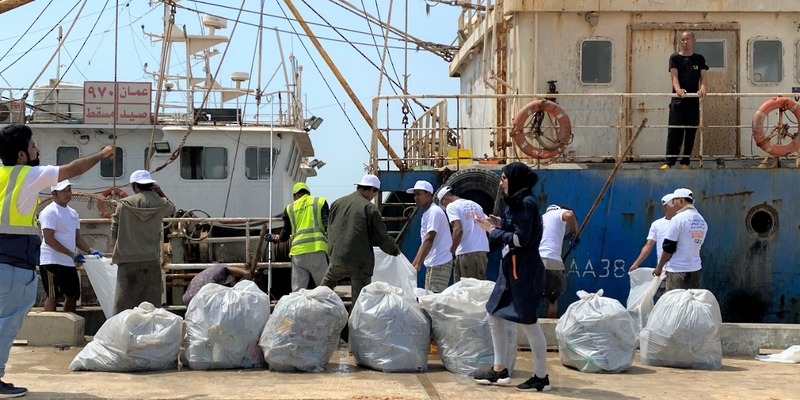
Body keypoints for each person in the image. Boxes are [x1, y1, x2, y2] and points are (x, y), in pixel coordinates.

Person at [0, 124, 114, 398]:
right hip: (13, 264)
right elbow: (71, 169)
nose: (36, 149)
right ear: (21, 155)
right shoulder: (26, 175)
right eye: (32, 145)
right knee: (6, 324)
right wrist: (101, 154)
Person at [474, 162, 551, 392]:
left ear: (514, 180)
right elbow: (513, 229)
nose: (501, 182)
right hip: (510, 270)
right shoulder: (515, 203)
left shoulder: (526, 204)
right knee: (493, 314)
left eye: (504, 178)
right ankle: (500, 370)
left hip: (523, 271)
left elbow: (521, 240)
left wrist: (492, 231)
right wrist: (498, 222)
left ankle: (540, 377)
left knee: (529, 323)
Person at [321, 174, 400, 307]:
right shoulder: (369, 208)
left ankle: (316, 312)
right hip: (359, 264)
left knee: (322, 293)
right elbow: (381, 238)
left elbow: (330, 228)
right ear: (371, 190)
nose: (374, 196)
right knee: (359, 303)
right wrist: (395, 250)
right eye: (375, 193)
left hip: (336, 260)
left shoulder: (336, 203)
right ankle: (354, 326)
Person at [110, 170, 175, 315]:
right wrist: (160, 192)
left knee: (124, 305)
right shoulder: (161, 204)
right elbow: (173, 209)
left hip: (127, 260)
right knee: (151, 306)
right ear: (151, 185)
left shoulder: (124, 204)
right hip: (150, 260)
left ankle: (123, 333)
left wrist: (116, 250)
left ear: (134, 186)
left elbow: (114, 228)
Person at [39, 180, 102, 312]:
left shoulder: (73, 213)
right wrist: (70, 253)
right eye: (64, 190)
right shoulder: (49, 211)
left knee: (72, 295)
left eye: (69, 190)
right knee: (52, 295)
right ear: (54, 193)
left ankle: (69, 327)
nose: (68, 193)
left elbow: (77, 238)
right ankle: (50, 327)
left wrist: (90, 250)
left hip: (68, 262)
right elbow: (49, 239)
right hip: (51, 261)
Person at [661, 31, 708, 170]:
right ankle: (669, 162)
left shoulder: (699, 59)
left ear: (694, 40)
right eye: (683, 39)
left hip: (693, 100)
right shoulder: (675, 58)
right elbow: (674, 77)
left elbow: (703, 77)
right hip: (678, 101)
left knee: (690, 131)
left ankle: (685, 162)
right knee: (675, 130)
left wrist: (703, 88)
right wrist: (678, 90)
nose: (685, 42)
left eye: (688, 39)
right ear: (680, 42)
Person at [270, 182, 329, 292]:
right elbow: (328, 226)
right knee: (324, 289)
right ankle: (328, 308)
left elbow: (285, 234)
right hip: (317, 251)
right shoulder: (320, 202)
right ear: (308, 193)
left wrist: (275, 238)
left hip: (298, 254)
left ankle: (297, 309)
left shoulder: (290, 208)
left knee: (297, 291)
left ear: (295, 195)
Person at [653, 188, 708, 291]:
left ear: (681, 200)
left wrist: (659, 267)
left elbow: (669, 247)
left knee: (674, 305)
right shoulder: (702, 221)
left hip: (677, 272)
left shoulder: (678, 219)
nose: (673, 204)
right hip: (696, 270)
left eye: (674, 201)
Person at [407, 180, 453, 293]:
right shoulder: (427, 213)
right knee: (430, 299)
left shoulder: (434, 212)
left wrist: (418, 263)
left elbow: (429, 239)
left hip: (439, 262)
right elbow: (424, 242)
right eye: (414, 195)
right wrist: (415, 262)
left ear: (428, 194)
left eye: (419, 194)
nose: (416, 197)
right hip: (434, 262)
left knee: (434, 301)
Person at [437, 186, 490, 282]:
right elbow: (487, 223)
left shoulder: (451, 206)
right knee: (480, 289)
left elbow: (458, 230)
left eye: (443, 205)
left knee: (464, 289)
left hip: (466, 252)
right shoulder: (475, 205)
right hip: (482, 251)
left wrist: (450, 252)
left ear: (445, 199)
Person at [539, 204, 579, 318]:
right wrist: (575, 233)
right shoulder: (558, 212)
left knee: (532, 295)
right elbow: (570, 215)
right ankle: (550, 331)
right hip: (553, 259)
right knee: (553, 298)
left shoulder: (541, 218)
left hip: (537, 260)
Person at [182, 262, 253, 305]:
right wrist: (245, 273)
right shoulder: (221, 269)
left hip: (188, 298)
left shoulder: (209, 272)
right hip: (199, 298)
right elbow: (228, 269)